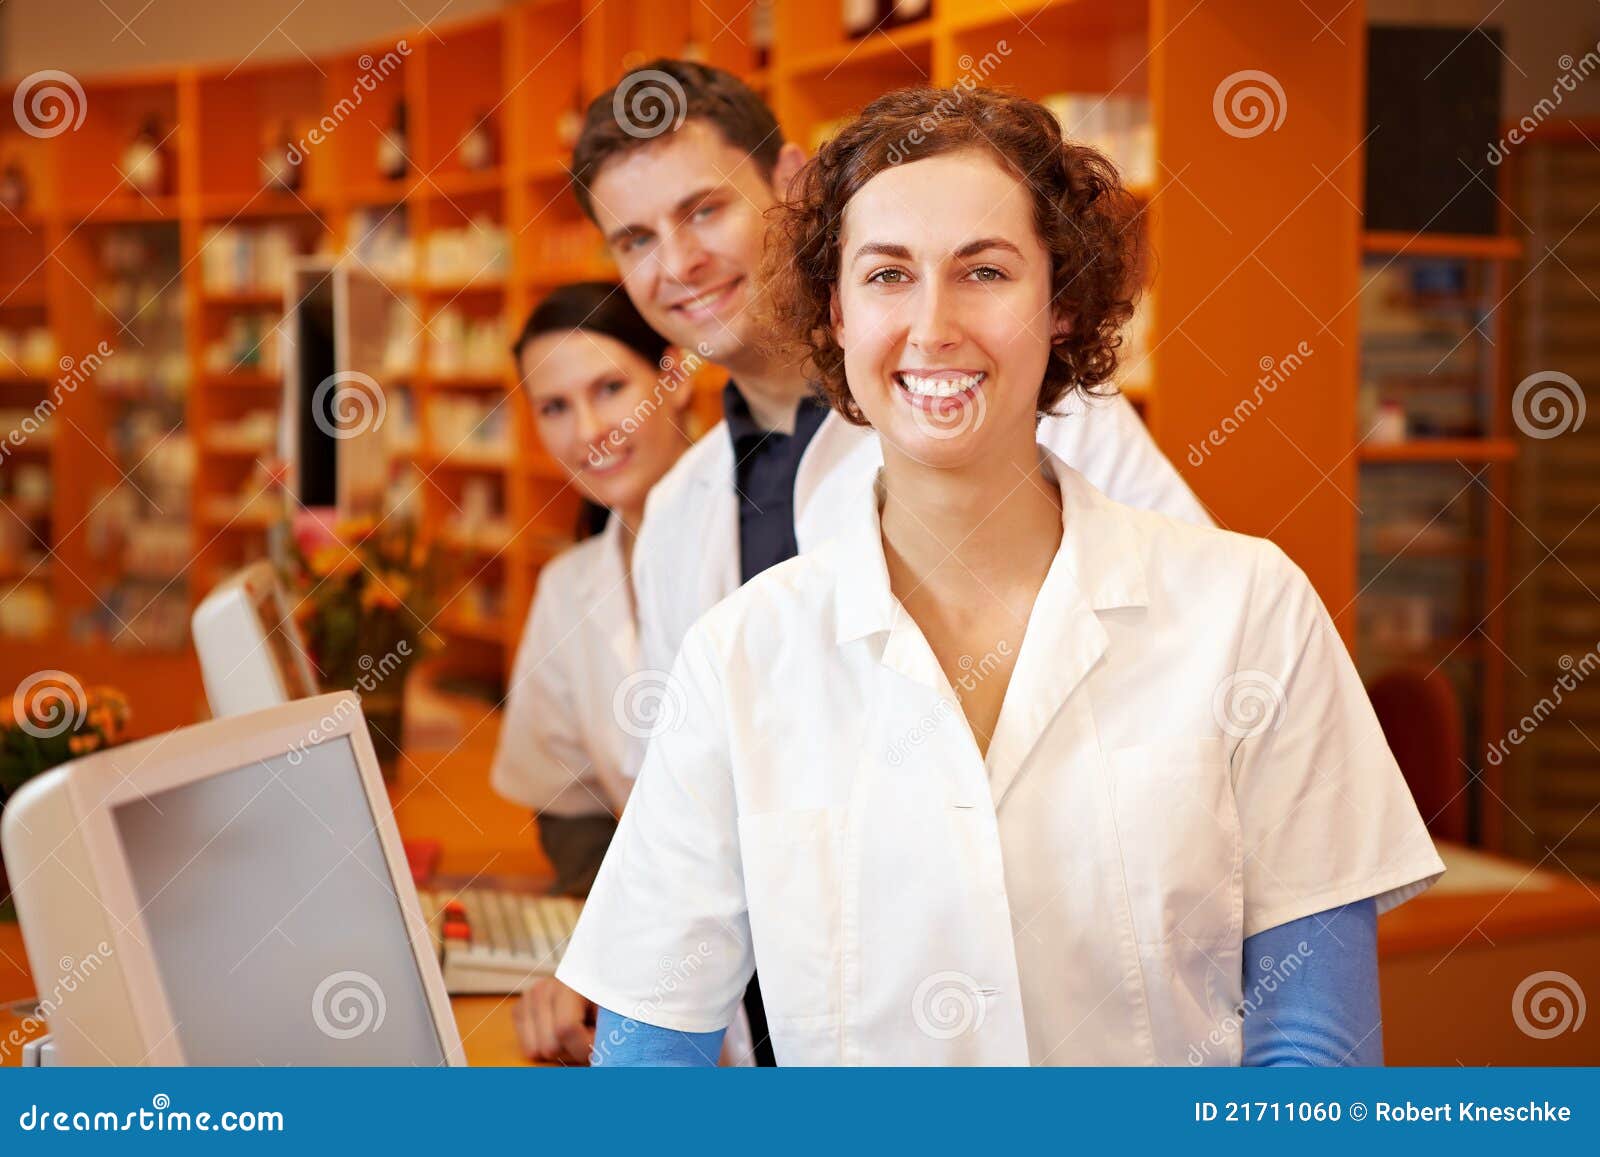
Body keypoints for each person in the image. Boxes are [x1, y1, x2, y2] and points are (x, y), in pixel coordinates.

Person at [554, 86, 1446, 1066]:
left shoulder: (1247, 610)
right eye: (887, 274)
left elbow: (1314, 1044)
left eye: (983, 269)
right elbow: (649, 1055)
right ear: (835, 311)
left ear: (1062, 303)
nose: (932, 325)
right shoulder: (738, 652)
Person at [491, 282, 756, 1064]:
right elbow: (573, 812)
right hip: (670, 989)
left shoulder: (765, 540)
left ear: (675, 378)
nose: (590, 431)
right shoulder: (571, 586)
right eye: (555, 407)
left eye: (612, 389)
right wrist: (598, 962)